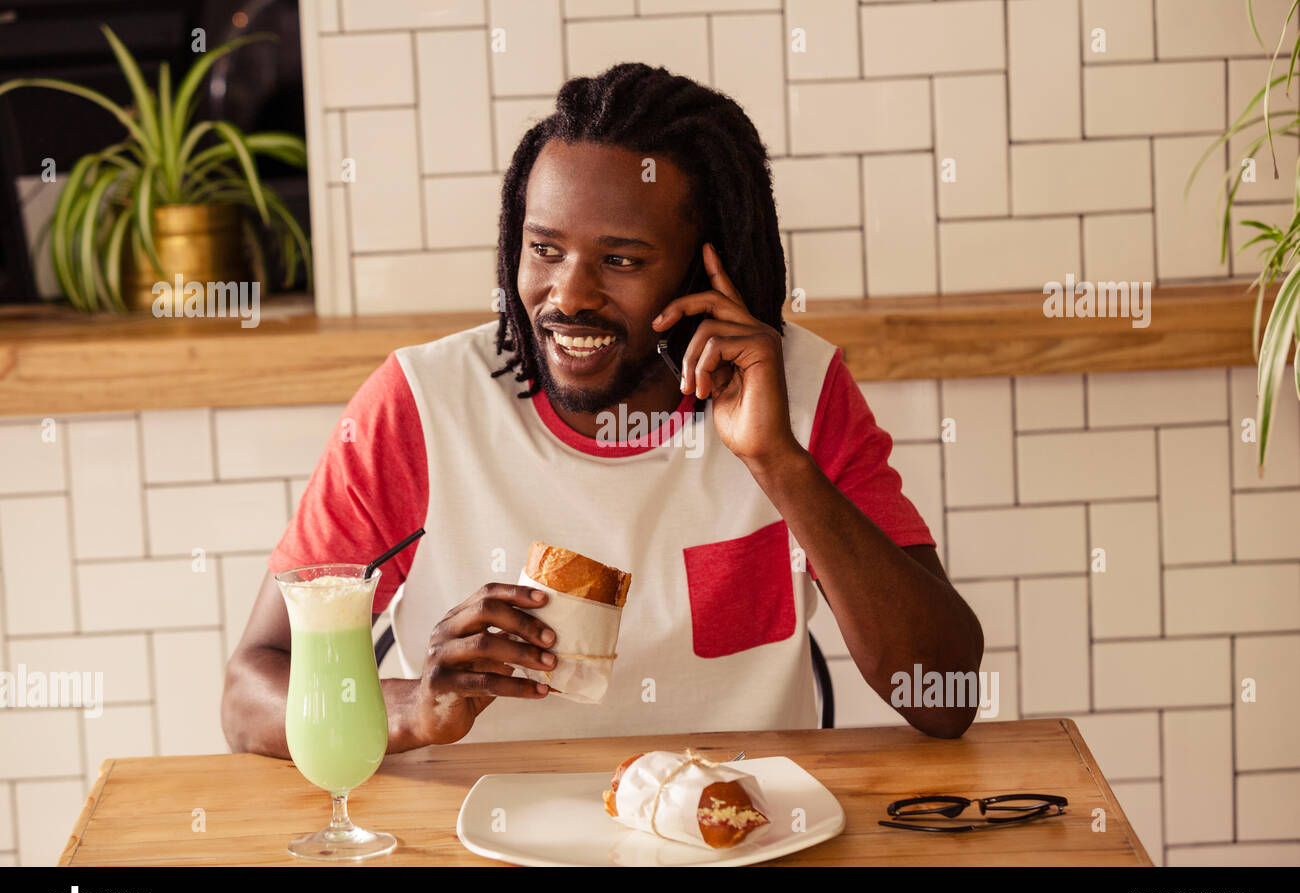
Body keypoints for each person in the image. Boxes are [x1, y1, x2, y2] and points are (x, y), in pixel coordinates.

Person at [221, 62, 983, 757]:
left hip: (732, 832)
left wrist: (777, 462)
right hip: (478, 833)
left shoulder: (803, 393)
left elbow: (945, 697)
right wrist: (412, 709)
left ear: (710, 265)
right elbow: (252, 689)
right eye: (545, 249)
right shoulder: (421, 405)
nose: (570, 296)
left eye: (621, 260)